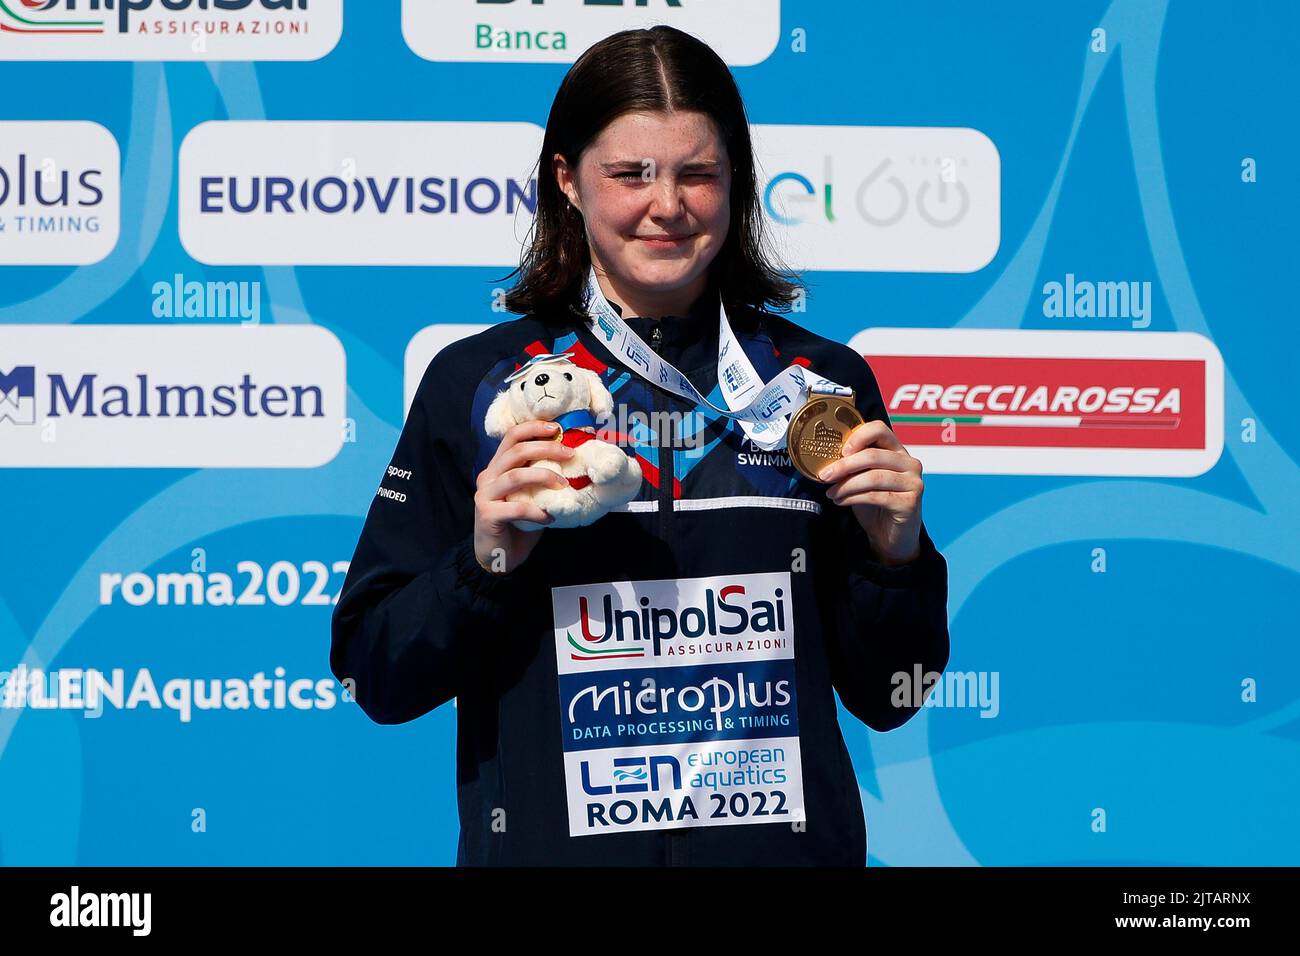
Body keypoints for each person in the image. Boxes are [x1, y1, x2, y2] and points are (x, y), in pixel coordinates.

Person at [330, 25, 950, 866]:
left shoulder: (813, 386)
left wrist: (894, 556)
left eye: (698, 172)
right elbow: (378, 673)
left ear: (736, 183)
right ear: (568, 181)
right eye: (631, 174)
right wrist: (482, 564)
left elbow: (889, 695)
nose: (668, 205)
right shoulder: (481, 388)